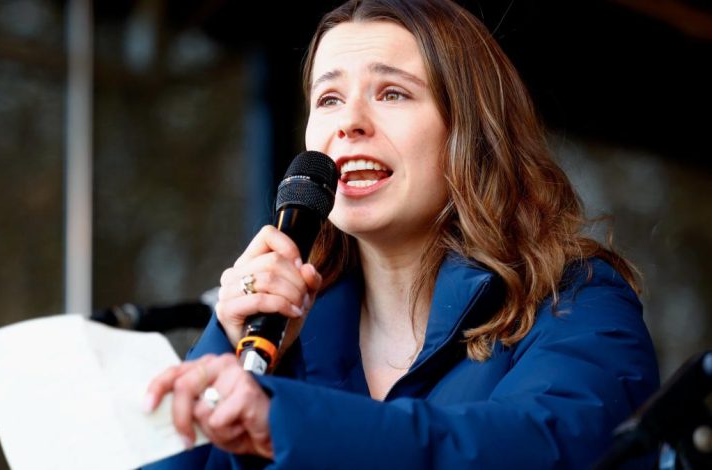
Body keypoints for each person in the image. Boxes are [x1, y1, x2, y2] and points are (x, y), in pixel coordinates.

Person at [144, 0, 660, 468]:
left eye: (392, 92)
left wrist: (287, 422)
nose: (349, 123)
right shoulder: (287, 330)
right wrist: (227, 341)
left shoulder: (577, 301)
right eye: (328, 99)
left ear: (471, 132)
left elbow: (548, 449)